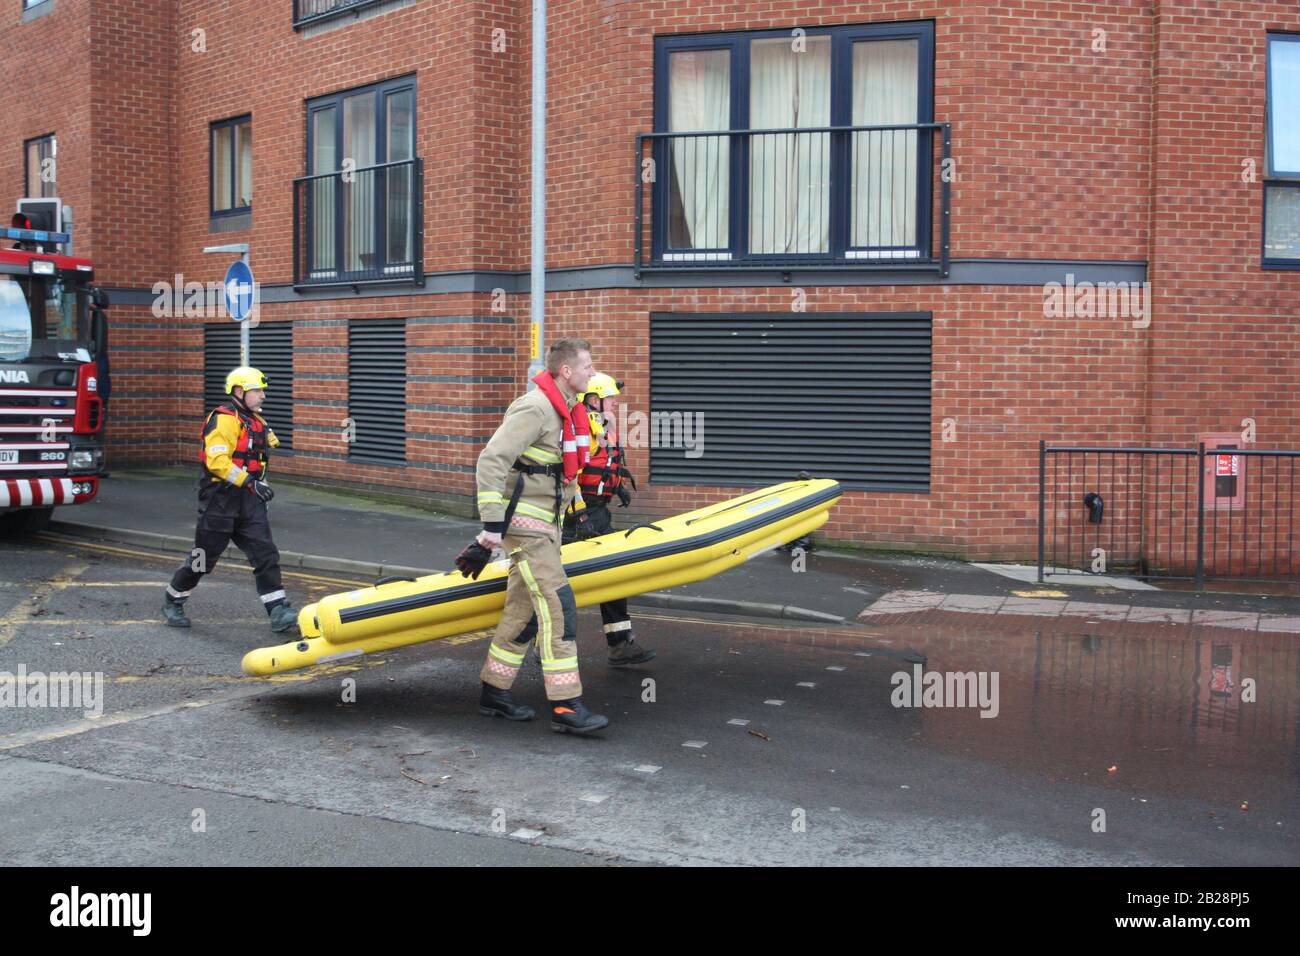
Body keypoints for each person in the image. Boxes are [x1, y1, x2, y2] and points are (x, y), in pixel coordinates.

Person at [474, 338, 609, 735]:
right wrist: (492, 525)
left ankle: (494, 691)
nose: (593, 371)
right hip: (526, 529)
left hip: (546, 527)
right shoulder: (536, 408)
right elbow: (491, 459)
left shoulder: (566, 410)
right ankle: (566, 705)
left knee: (523, 610)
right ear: (566, 371)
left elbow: (561, 474)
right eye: (587, 365)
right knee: (557, 604)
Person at [161, 366, 297, 635]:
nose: (262, 396)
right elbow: (217, 462)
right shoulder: (223, 419)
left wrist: (258, 487)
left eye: (262, 391)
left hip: (249, 500)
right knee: (203, 560)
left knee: (265, 553)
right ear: (239, 391)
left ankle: (278, 610)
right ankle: (173, 599)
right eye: (257, 390)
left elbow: (259, 460)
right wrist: (250, 482)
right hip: (219, 501)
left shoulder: (257, 421)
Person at [562, 372, 655, 666]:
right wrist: (582, 516)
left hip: (598, 512)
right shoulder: (580, 431)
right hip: (577, 518)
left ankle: (620, 644)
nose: (615, 403)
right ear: (593, 400)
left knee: (614, 574)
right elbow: (569, 480)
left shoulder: (602, 426)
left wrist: (617, 486)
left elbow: (604, 465)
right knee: (562, 586)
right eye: (610, 398)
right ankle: (543, 645)